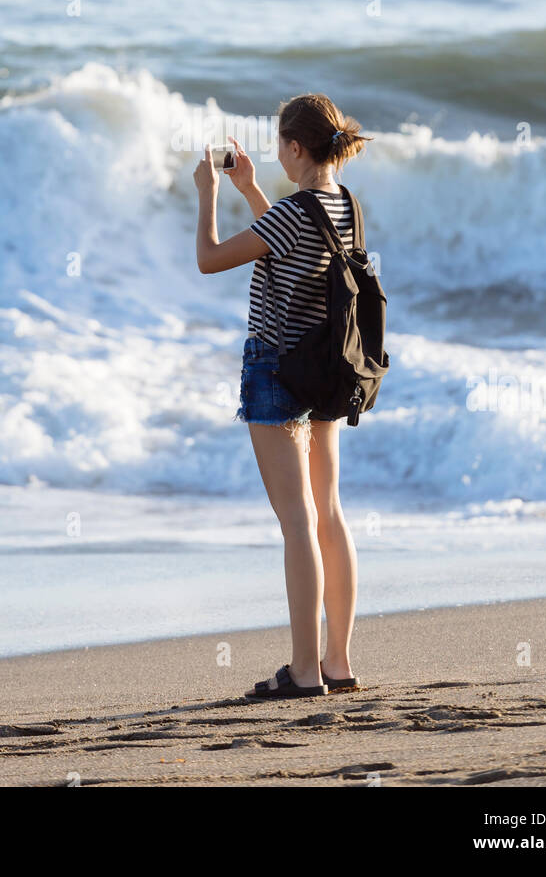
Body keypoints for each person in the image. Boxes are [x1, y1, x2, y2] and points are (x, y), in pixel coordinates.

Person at [193, 92, 371, 699]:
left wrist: (208, 194)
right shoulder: (343, 203)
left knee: (296, 523)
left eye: (279, 144)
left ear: (297, 147)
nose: (276, 154)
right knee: (328, 513)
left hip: (276, 371)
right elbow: (296, 245)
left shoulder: (294, 211)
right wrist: (249, 189)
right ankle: (338, 663)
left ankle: (301, 673)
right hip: (326, 370)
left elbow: (209, 259)